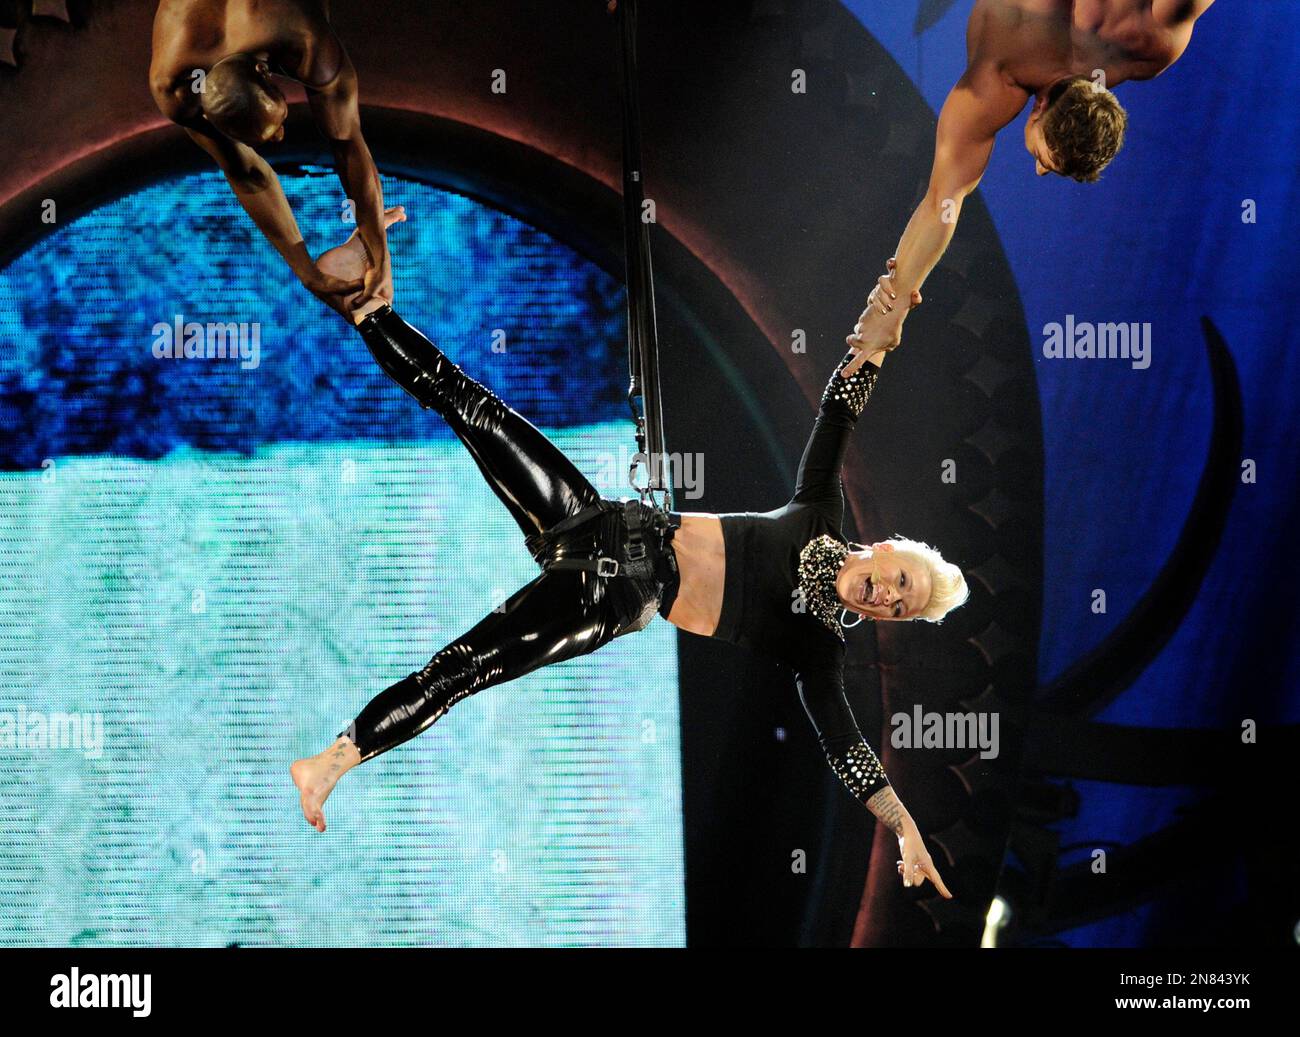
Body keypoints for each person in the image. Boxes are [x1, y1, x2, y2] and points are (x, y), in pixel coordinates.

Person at [289, 229, 967, 897]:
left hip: (607, 598)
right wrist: (886, 320)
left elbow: (848, 751)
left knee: (465, 667)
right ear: (885, 548)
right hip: (596, 517)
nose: (888, 597)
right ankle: (365, 304)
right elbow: (840, 405)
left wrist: (903, 826)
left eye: (900, 606)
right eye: (901, 579)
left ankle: (332, 760)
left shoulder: (816, 647)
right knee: (470, 403)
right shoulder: (820, 509)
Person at [846, 0, 1218, 367]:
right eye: (1043, 159)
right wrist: (890, 314)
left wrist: (892, 314)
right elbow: (944, 198)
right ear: (1039, 109)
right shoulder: (1004, 66)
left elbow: (944, 199)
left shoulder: (1147, 43)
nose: (1038, 171)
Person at [149, 0, 395, 317]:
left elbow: (347, 140)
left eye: (276, 124)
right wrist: (309, 273)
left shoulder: (305, 38)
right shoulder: (175, 88)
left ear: (264, 71)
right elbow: (246, 173)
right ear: (208, 117)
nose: (281, 137)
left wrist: (380, 255)